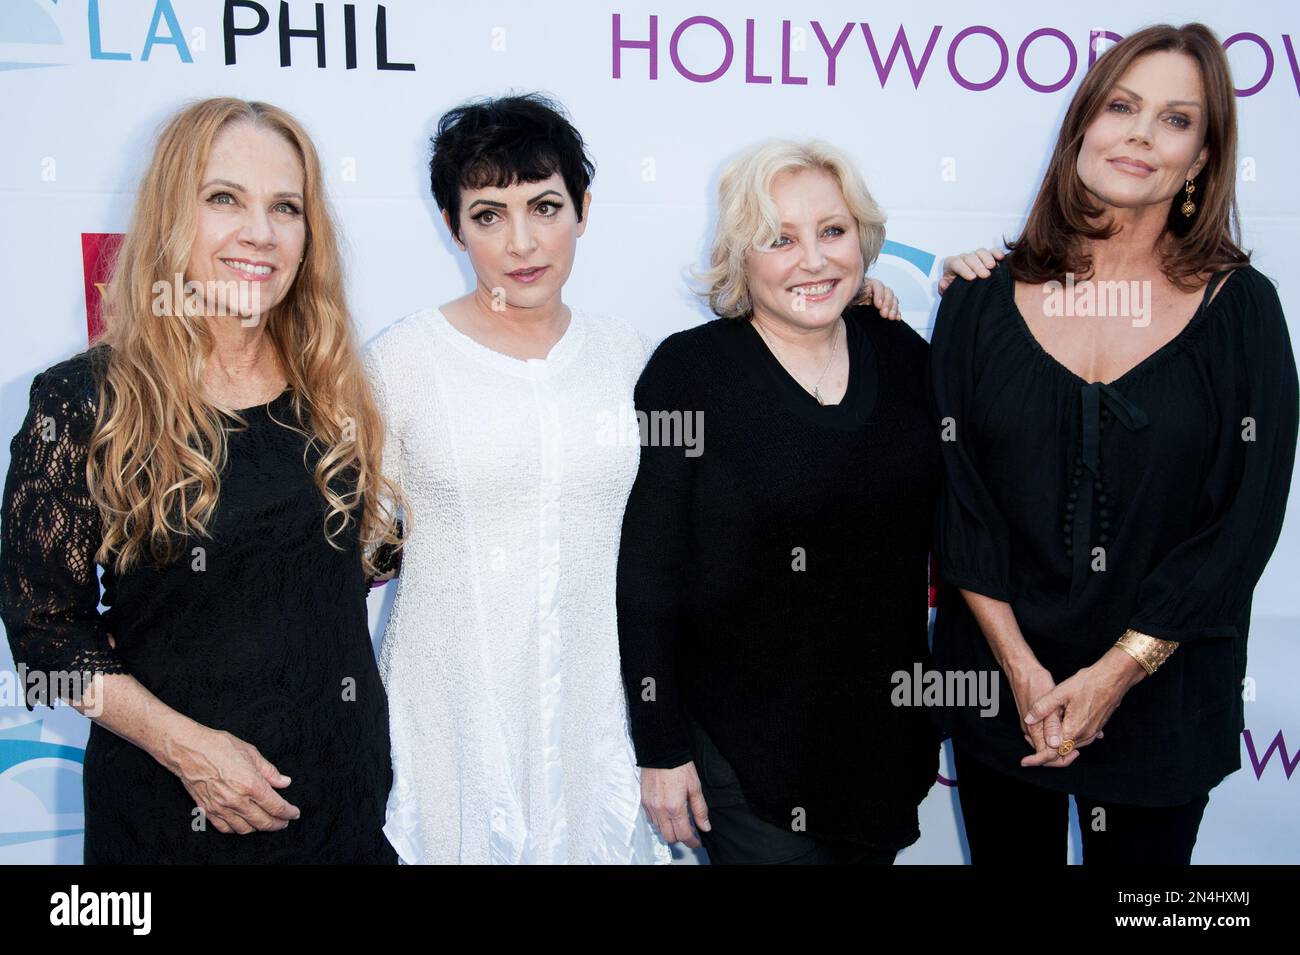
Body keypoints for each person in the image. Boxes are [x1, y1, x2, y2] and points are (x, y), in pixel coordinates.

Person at [930, 23, 1298, 864]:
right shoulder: (978, 300)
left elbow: (1244, 523)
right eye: (1122, 105)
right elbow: (959, 501)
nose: (1139, 132)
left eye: (1175, 119)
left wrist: (1118, 670)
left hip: (1164, 692)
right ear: (1083, 125)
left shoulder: (1243, 312)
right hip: (1002, 685)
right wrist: (1024, 671)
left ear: (1201, 159)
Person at [0, 98, 404, 863]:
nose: (260, 232)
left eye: (286, 207)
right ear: (170, 215)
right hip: (173, 812)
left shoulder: (337, 387)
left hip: (341, 807)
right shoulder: (84, 402)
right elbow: (44, 643)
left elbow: (359, 562)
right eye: (224, 198)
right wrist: (186, 748)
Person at [616, 139, 941, 864]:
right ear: (741, 255)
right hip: (744, 757)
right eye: (779, 239)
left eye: (832, 231)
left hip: (880, 749)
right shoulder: (688, 373)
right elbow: (646, 575)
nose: (814, 259)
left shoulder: (906, 359)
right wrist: (661, 747)